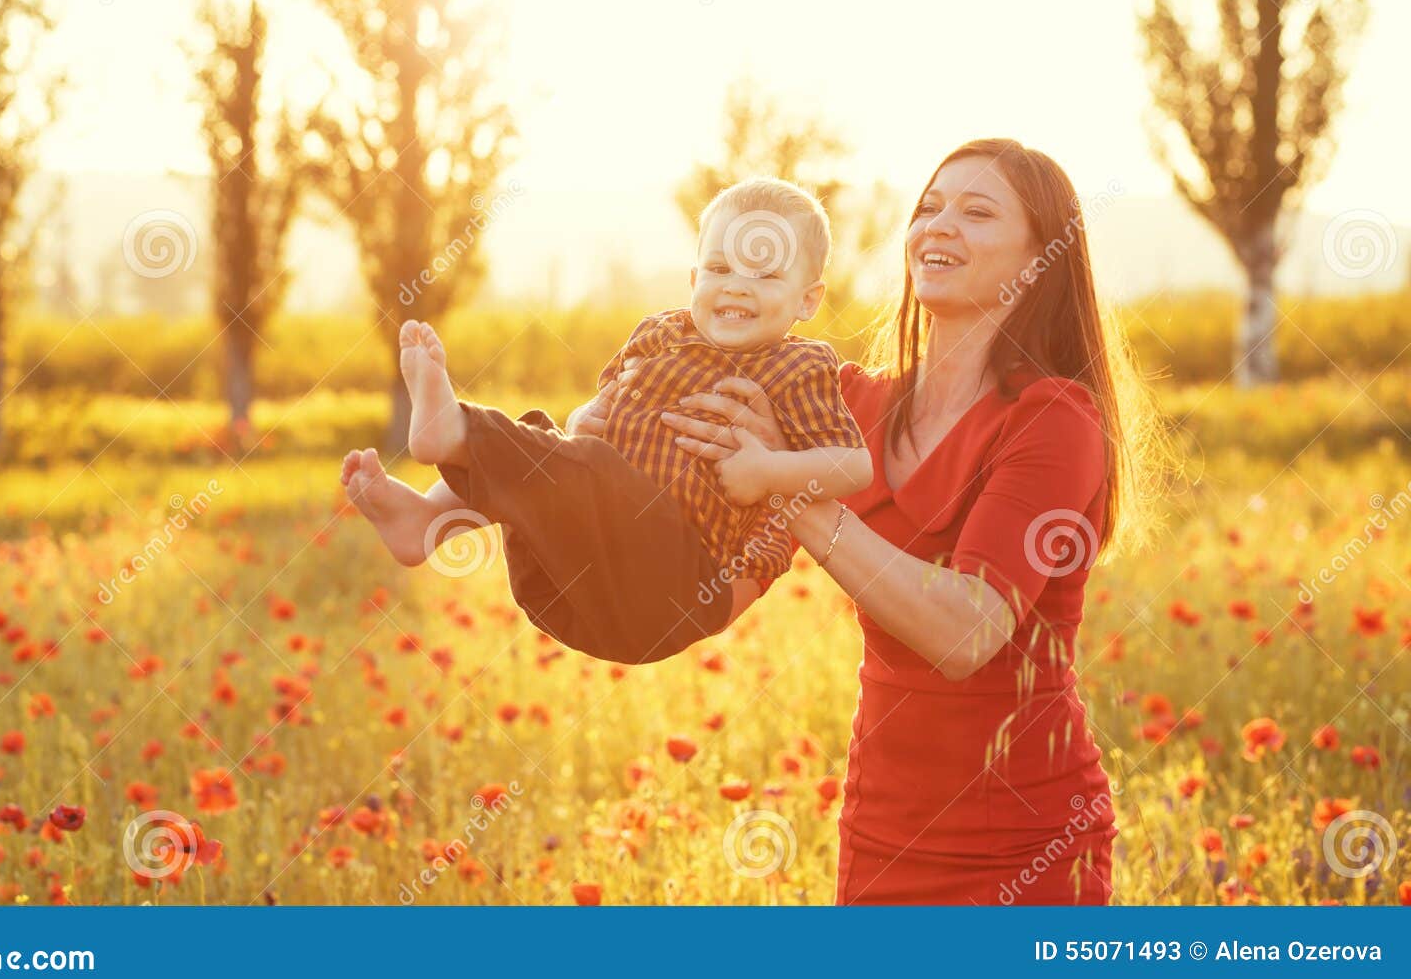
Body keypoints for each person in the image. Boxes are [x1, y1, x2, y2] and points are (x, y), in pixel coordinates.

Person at [588, 139, 1170, 904]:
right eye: (928, 207)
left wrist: (793, 491)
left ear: (1041, 258)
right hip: (882, 829)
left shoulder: (1054, 417)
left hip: (1025, 841)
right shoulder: (846, 403)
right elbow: (714, 536)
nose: (939, 225)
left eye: (976, 211)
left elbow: (966, 630)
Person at [340, 176, 873, 664]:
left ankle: (457, 431)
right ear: (692, 277)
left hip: (675, 589)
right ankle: (428, 523)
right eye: (719, 268)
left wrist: (768, 473)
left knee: (582, 462)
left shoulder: (799, 368)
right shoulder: (659, 332)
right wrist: (581, 422)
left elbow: (853, 467)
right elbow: (588, 431)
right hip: (566, 586)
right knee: (544, 437)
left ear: (808, 299)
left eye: (765, 274)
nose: (736, 286)